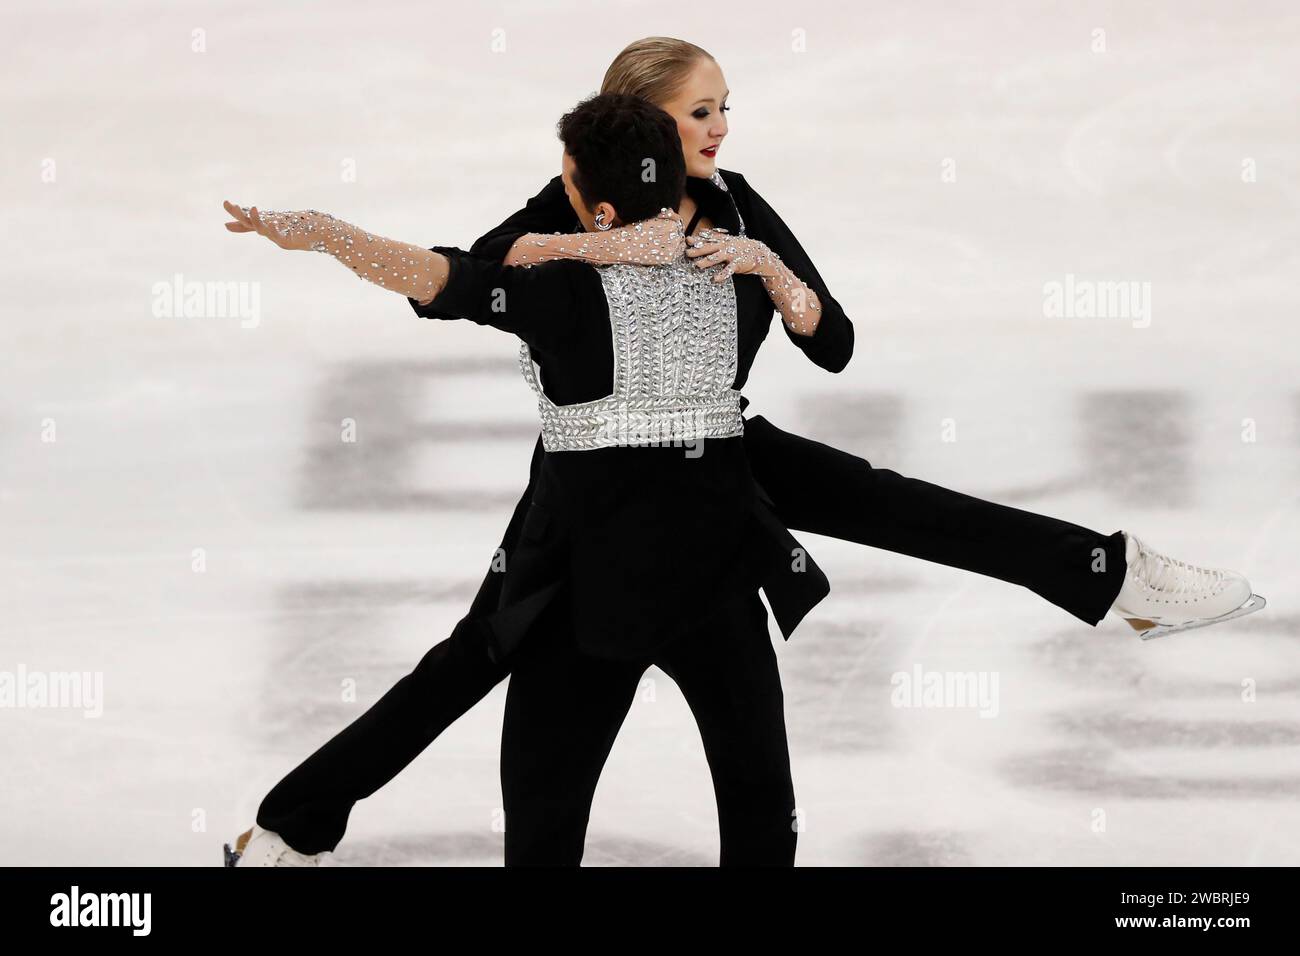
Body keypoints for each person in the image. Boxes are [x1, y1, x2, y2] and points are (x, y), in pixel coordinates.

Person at [220, 38, 1262, 867]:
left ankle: (1113, 572)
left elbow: (836, 343)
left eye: (724, 108)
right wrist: (592, 244)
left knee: (896, 502)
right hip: (591, 479)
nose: (719, 128)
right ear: (641, 128)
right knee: (471, 661)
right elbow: (471, 281)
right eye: (698, 112)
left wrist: (759, 262)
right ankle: (292, 823)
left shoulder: (734, 201)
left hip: (720, 446)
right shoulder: (570, 204)